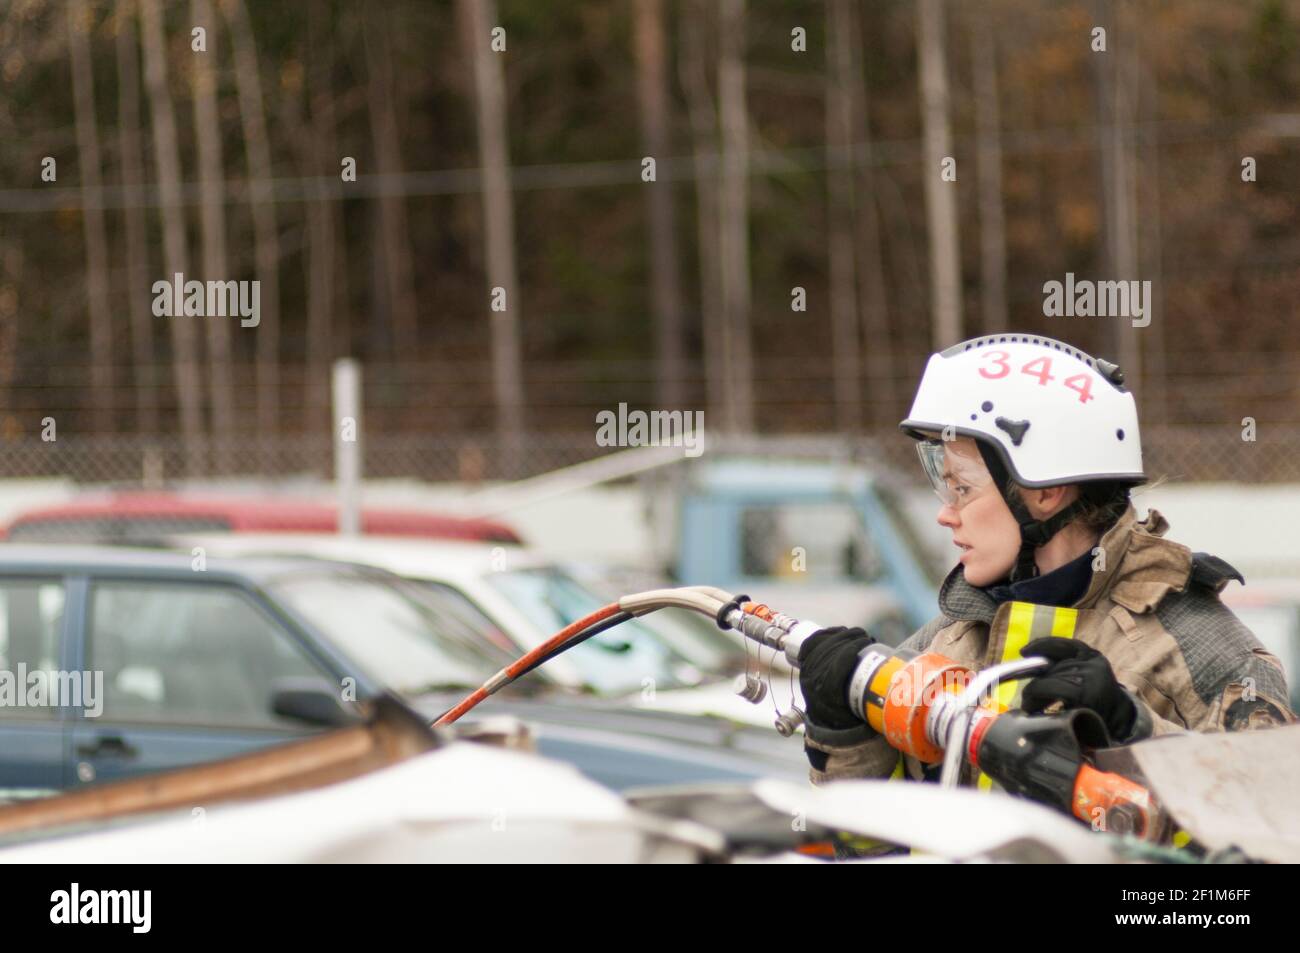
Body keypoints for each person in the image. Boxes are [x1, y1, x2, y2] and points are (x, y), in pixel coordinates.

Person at [798, 334, 1295, 788]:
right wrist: (842, 735)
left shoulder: (1196, 645)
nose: (944, 515)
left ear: (1047, 492)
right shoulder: (946, 640)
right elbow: (864, 844)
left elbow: (1275, 819)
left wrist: (1131, 732)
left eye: (962, 489)